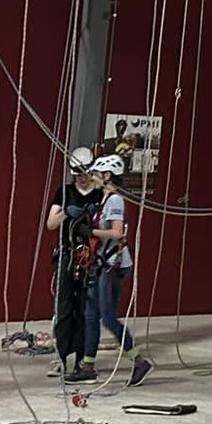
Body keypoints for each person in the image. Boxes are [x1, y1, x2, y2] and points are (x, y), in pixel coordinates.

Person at [70, 153, 152, 387]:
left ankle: (139, 361)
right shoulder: (104, 200)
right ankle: (88, 365)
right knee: (90, 315)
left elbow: (117, 233)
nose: (93, 177)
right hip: (102, 264)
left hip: (113, 266)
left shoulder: (115, 200)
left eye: (96, 173)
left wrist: (92, 233)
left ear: (107, 176)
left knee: (107, 317)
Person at [44, 144, 100, 378]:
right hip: (68, 256)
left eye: (85, 173)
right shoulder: (64, 193)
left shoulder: (99, 194)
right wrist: (68, 211)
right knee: (64, 307)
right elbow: (51, 224)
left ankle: (82, 359)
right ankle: (61, 356)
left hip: (92, 257)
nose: (82, 178)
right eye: (78, 174)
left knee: (85, 310)